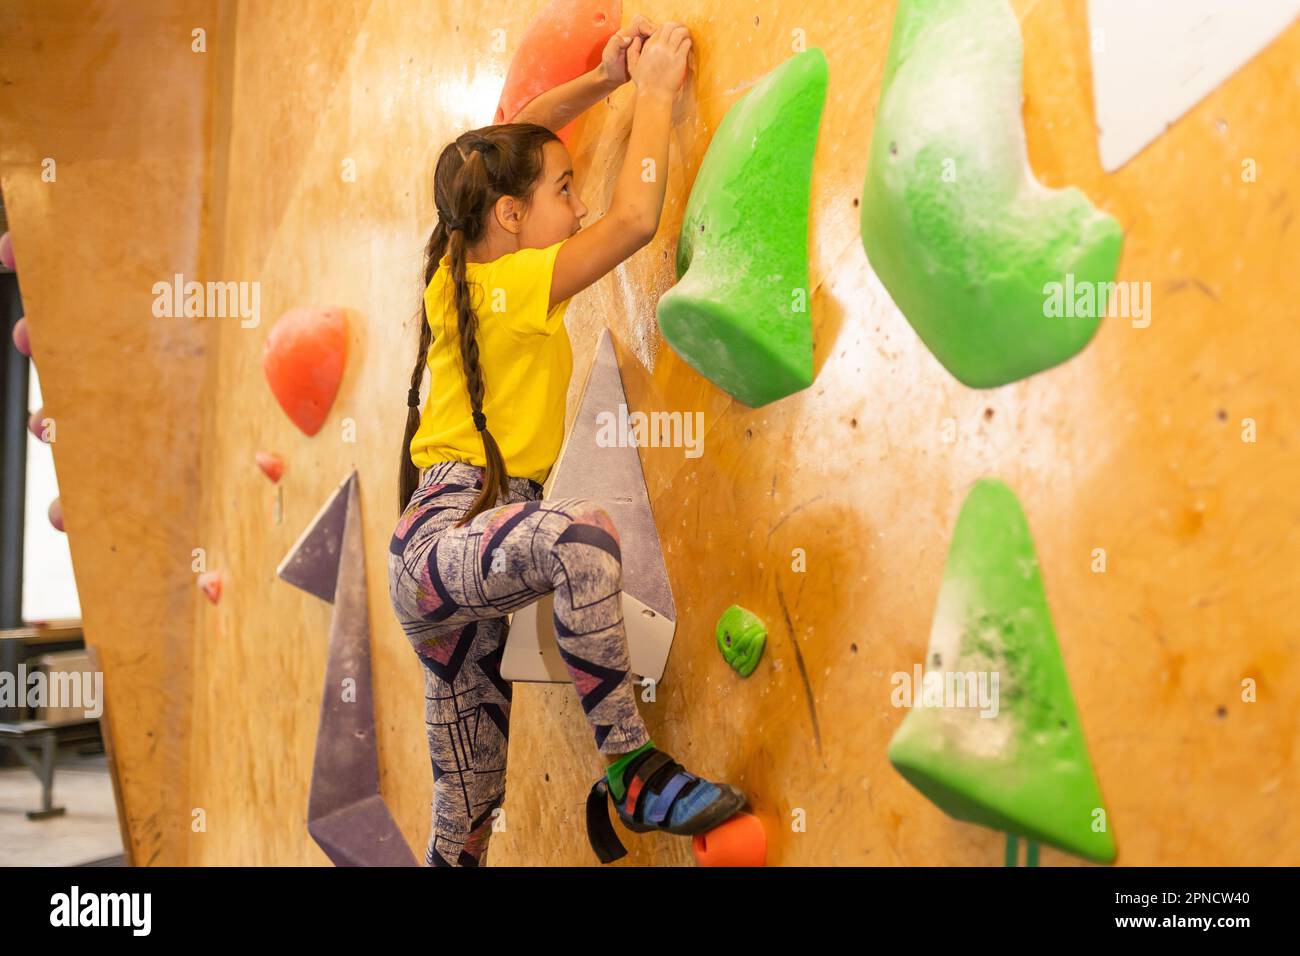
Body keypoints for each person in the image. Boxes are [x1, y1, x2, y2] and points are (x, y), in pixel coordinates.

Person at [387, 16, 745, 866]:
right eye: (563, 188)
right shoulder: (512, 284)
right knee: (581, 539)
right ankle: (631, 769)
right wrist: (654, 92)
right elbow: (632, 222)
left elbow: (505, 142)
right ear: (510, 216)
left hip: (455, 572)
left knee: (464, 825)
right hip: (448, 542)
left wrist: (601, 82)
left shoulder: (453, 268)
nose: (577, 203)